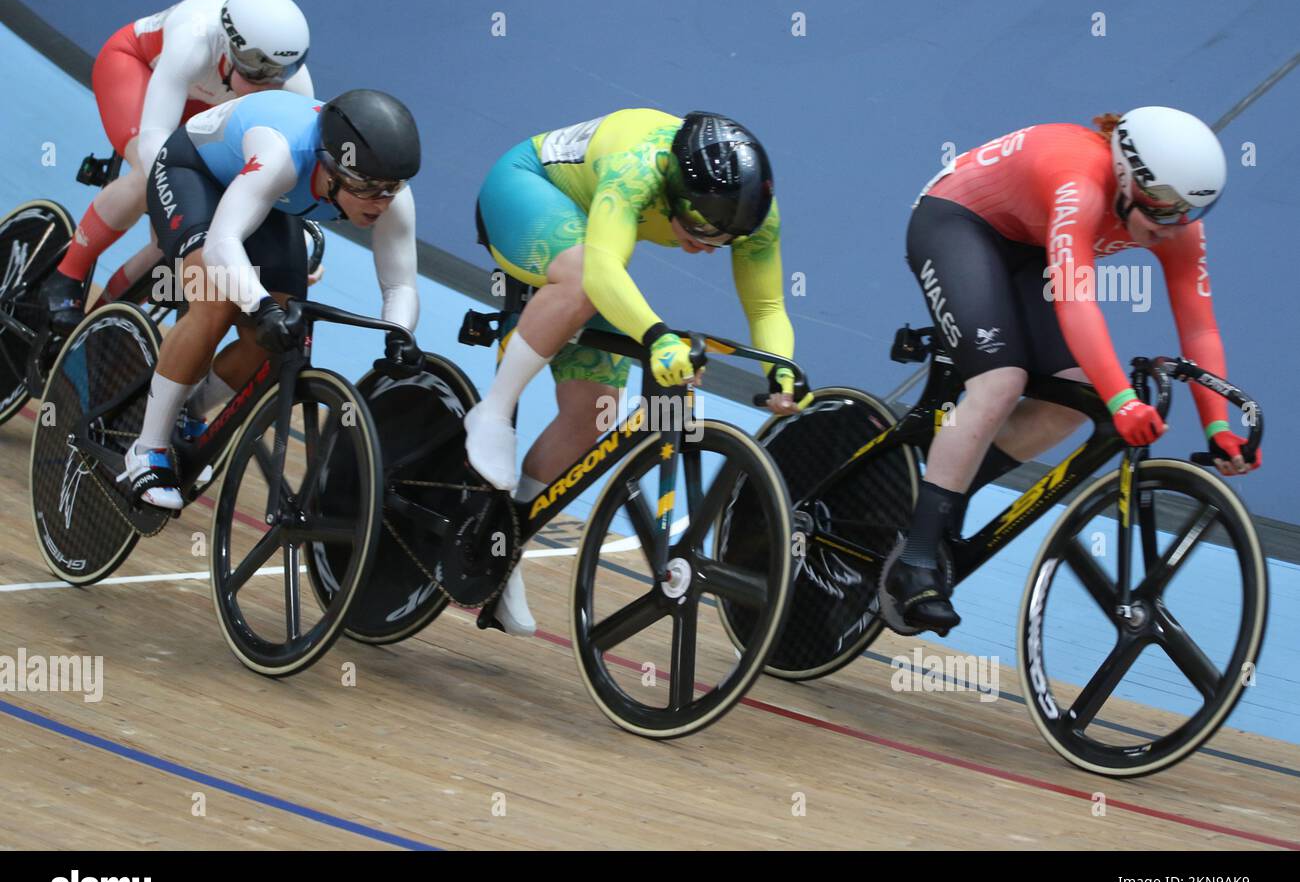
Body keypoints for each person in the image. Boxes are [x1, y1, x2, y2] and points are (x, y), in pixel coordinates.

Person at [883, 106, 1261, 635]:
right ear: (1126, 178)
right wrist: (1124, 401)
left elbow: (1199, 329)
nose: (1170, 226)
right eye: (1161, 211)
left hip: (1029, 243)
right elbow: (1076, 301)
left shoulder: (1177, 224)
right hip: (957, 222)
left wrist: (1219, 427)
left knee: (1070, 402)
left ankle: (943, 487)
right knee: (999, 382)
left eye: (1186, 213)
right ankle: (916, 559)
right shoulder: (1080, 181)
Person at [463, 109, 799, 637]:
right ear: (677, 190)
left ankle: (503, 544)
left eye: (725, 240)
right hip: (527, 190)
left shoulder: (752, 211)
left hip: (591, 236)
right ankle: (494, 410)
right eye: (703, 230)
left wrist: (782, 369)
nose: (710, 247)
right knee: (581, 279)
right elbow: (601, 270)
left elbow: (767, 307)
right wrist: (657, 338)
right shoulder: (638, 166)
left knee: (593, 420)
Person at [122, 88, 422, 509]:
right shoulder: (282, 156)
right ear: (330, 170)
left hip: (265, 200)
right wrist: (260, 306)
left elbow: (399, 286)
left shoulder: (391, 197)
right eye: (368, 188)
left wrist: (398, 335)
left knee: (278, 338)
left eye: (391, 189)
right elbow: (221, 243)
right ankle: (147, 450)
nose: (381, 202)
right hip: (194, 171)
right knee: (215, 303)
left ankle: (188, 411)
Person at [38, 0, 313, 331]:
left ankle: (99, 322)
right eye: (257, 74)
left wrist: (297, 245)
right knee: (148, 176)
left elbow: (294, 175)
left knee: (179, 238)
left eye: (278, 74)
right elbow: (155, 138)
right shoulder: (195, 40)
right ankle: (66, 276)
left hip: (207, 110)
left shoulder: (295, 88)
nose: (267, 86)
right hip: (137, 68)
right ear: (229, 47)